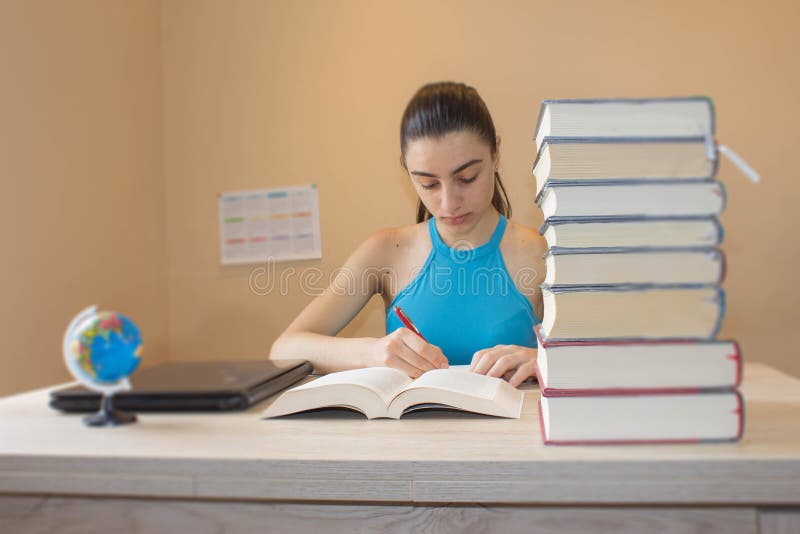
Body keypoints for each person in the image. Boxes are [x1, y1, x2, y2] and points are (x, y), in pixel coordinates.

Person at [270, 81, 546, 387]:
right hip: (410, 433)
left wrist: (545, 359)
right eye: (428, 184)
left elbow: (600, 360)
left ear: (496, 153)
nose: (448, 202)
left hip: (510, 433)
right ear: (408, 171)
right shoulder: (386, 251)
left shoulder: (542, 255)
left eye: (467, 178)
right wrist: (371, 352)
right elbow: (285, 349)